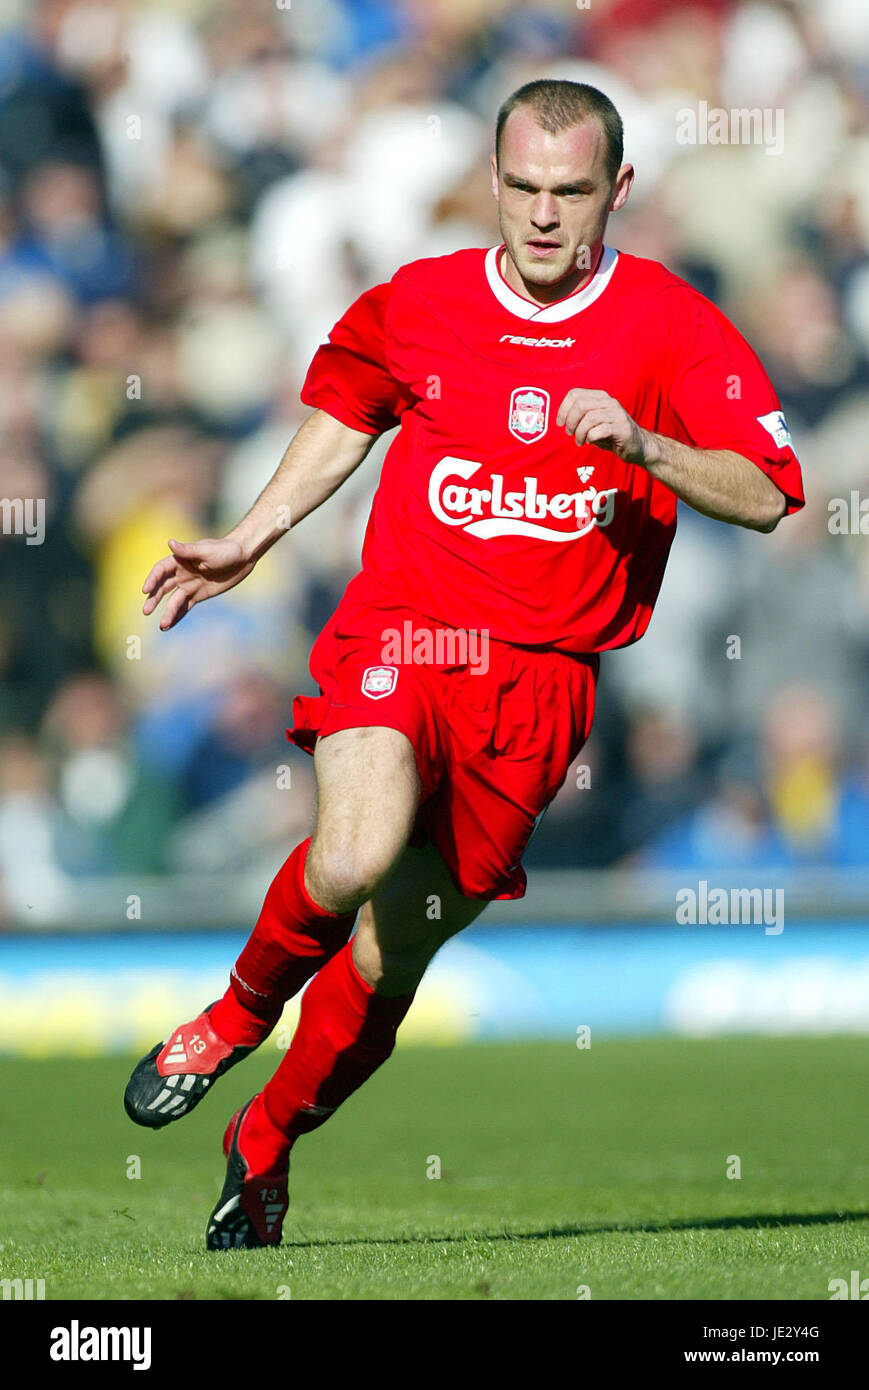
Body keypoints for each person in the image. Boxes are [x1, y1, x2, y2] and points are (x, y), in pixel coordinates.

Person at [124, 80, 804, 1250]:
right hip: (405, 628)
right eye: (522, 187)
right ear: (494, 181)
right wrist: (250, 532)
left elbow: (768, 492)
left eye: (570, 191)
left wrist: (644, 442)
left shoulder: (668, 324)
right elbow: (346, 407)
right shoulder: (423, 299)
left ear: (616, 192)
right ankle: (232, 1015)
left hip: (542, 684)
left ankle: (266, 1137)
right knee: (351, 850)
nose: (542, 216)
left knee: (391, 955)